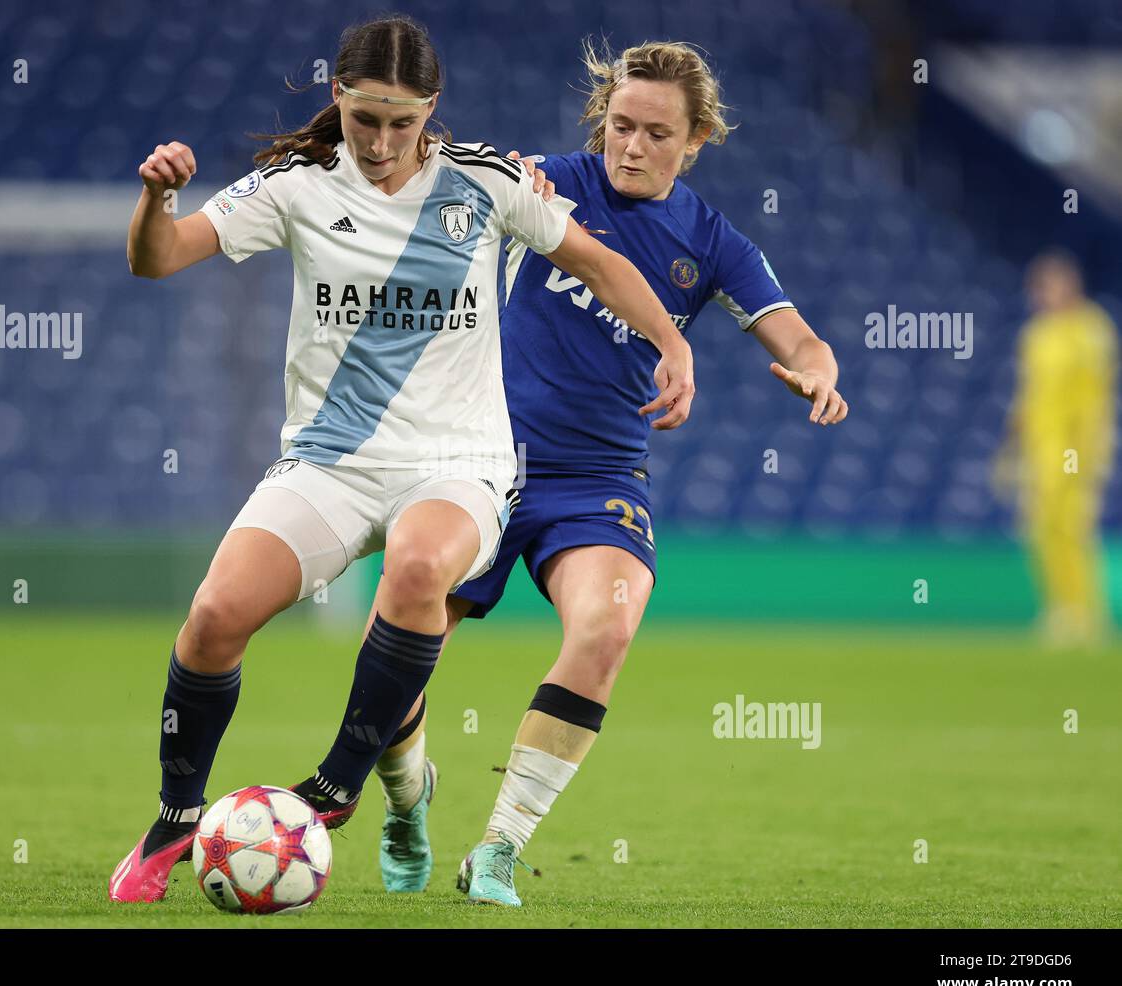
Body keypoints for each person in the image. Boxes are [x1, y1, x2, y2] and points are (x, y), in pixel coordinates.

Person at [108, 15, 696, 903]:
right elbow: (160, 261)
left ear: (431, 110)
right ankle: (176, 819)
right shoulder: (295, 183)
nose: (382, 143)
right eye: (364, 119)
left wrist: (671, 344)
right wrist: (157, 201)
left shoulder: (486, 184)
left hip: (458, 460)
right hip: (331, 460)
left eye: (402, 121)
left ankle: (338, 783)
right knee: (213, 617)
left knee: (420, 566)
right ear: (336, 100)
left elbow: (599, 261)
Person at [364, 39, 850, 906]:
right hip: (478, 458)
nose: (630, 146)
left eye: (656, 133)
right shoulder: (547, 182)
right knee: (405, 625)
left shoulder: (713, 244)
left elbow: (798, 334)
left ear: (696, 138)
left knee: (609, 627)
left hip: (597, 477)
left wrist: (818, 370)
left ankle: (501, 850)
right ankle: (407, 802)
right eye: (619, 125)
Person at [997, 249, 1117, 647]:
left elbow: (1096, 399)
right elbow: (1026, 399)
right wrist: (1010, 452)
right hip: (1040, 450)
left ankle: (1085, 611)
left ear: (1069, 285)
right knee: (1040, 529)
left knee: (1073, 529)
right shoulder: (1037, 334)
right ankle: (1060, 608)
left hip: (1078, 450)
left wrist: (1093, 452)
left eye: (1047, 287)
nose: (1041, 297)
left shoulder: (1091, 330)